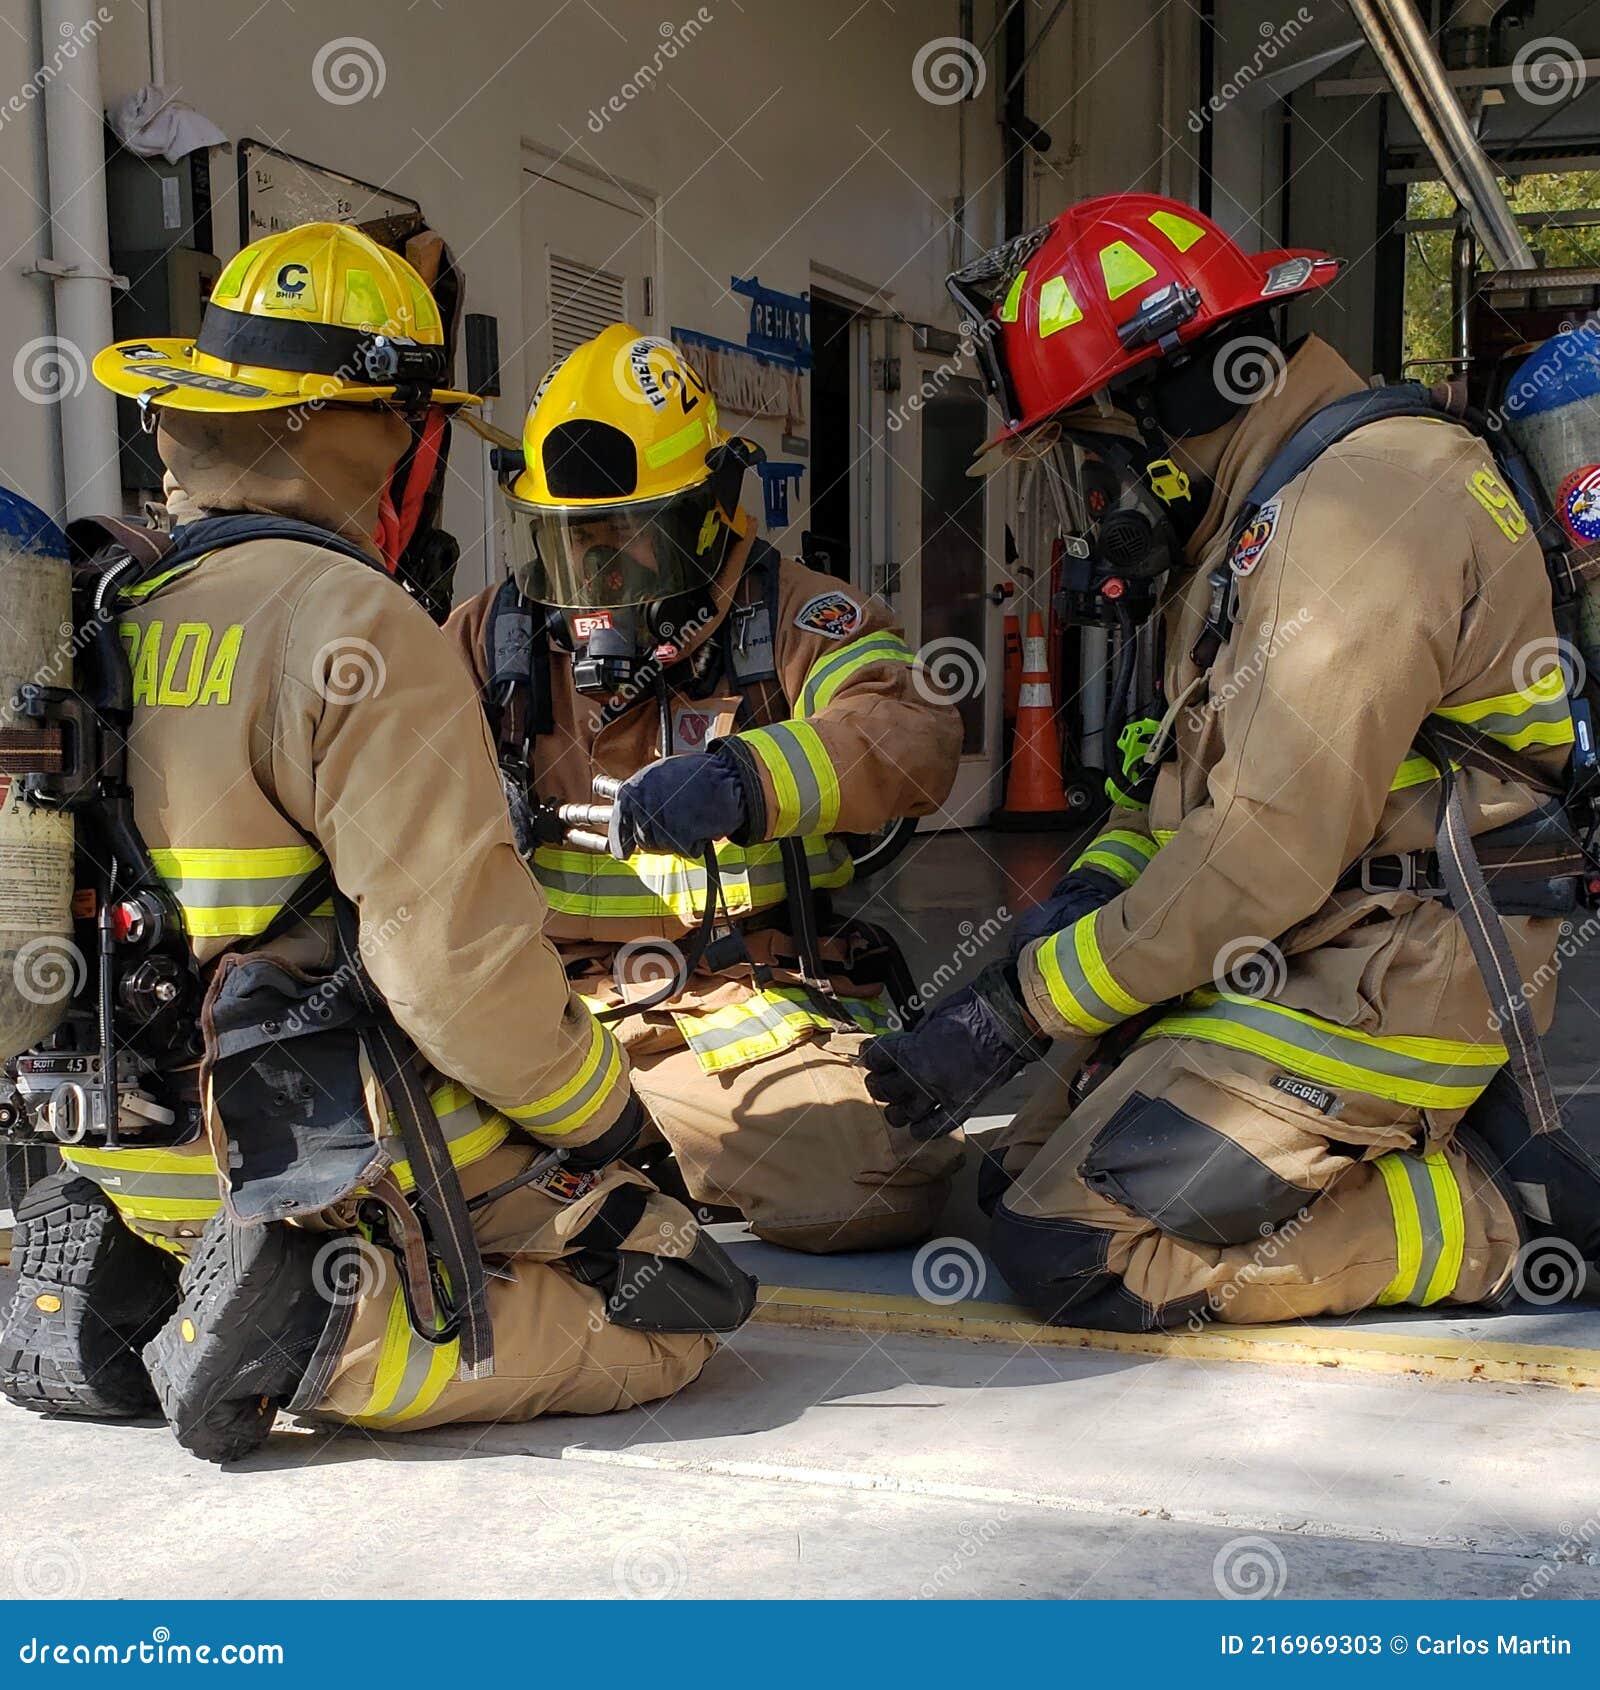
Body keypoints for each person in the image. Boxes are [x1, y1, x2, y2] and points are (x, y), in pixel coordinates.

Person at [0, 222, 750, 1462]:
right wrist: (610, 1120)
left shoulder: (102, 593)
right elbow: (455, 979)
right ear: (371, 428)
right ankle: (323, 1331)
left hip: (121, 1133)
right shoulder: (351, 619)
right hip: (323, 1146)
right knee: (674, 1295)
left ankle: (128, 1278)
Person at [866, 191, 1593, 1329]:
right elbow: (1167, 797)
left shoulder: (1356, 514)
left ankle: (1496, 1216)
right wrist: (1063, 922)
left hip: (1389, 976)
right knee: (1010, 1179)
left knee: (1077, 1248)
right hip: (1303, 948)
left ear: (1178, 402)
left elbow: (1261, 850)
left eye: (1090, 455)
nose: (1091, 504)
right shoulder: (1255, 521)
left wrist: (1020, 1009)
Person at [447, 325, 963, 1252]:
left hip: (731, 999)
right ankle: (644, 1148)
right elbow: (373, 772)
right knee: (385, 1161)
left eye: (629, 535)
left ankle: (621, 1152)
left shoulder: (799, 617)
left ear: (711, 511)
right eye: (571, 541)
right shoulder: (490, 638)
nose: (598, 574)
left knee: (876, 1186)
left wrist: (745, 778)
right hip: (544, 1010)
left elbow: (913, 736)